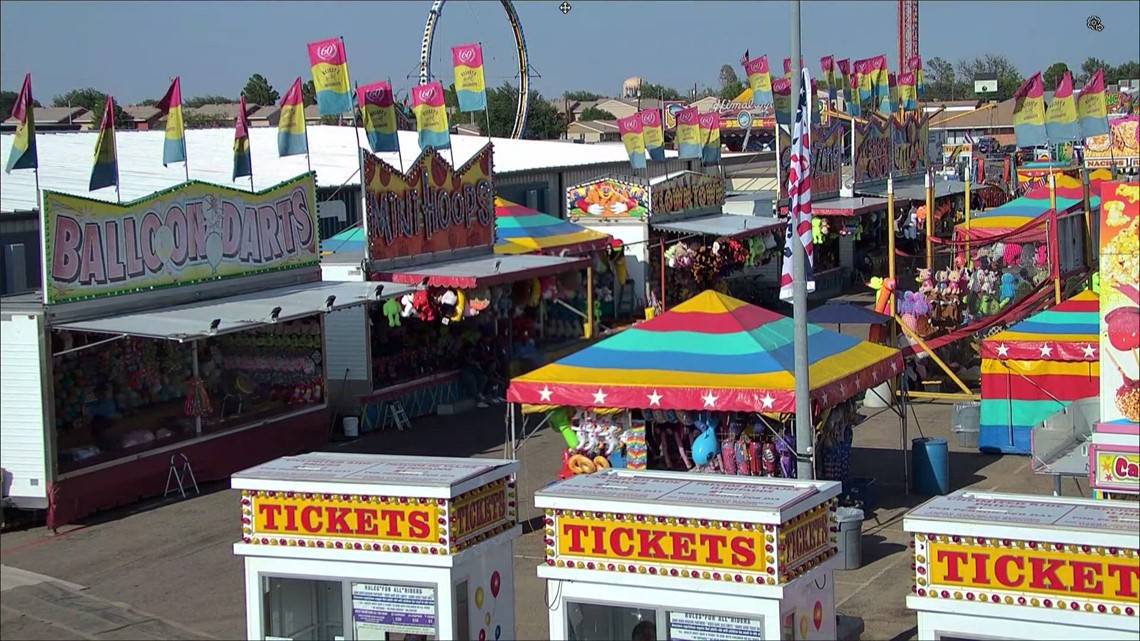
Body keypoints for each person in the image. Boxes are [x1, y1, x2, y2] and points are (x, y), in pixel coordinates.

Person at [458, 343, 490, 408]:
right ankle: (478, 401)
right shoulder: (463, 355)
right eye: (470, 349)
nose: (472, 350)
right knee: (472, 381)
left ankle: (479, 393)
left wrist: (477, 364)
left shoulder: (474, 354)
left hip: (473, 370)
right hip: (465, 370)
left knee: (483, 378)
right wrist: (472, 362)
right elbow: (465, 363)